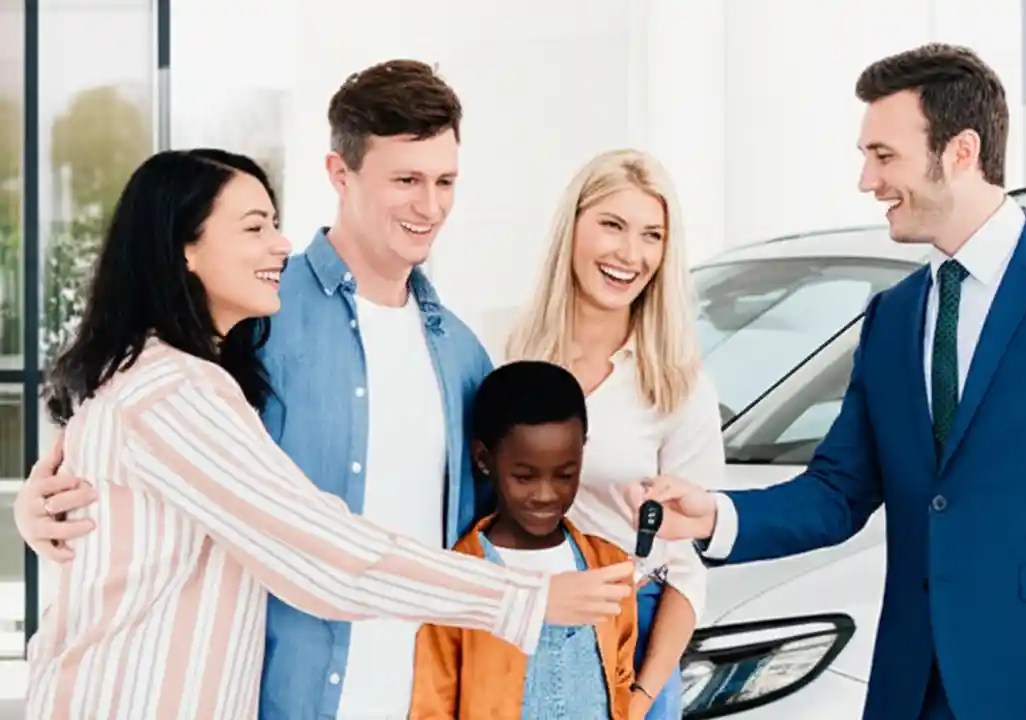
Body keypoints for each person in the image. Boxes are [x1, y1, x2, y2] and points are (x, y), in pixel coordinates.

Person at [14, 60, 632, 719]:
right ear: (340, 173)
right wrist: (46, 503)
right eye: (406, 180)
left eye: (445, 181)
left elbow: (508, 505)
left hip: (413, 695)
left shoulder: (460, 353)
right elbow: (300, 541)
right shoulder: (250, 326)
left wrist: (637, 514)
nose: (430, 206)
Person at [628, 44, 1026, 720]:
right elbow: (839, 490)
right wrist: (716, 515)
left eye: (884, 156)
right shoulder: (893, 316)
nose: (867, 181)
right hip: (911, 688)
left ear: (961, 151)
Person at [503, 148, 724, 719]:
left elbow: (686, 570)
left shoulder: (676, 384)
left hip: (629, 645)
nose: (631, 254)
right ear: (572, 226)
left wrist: (641, 697)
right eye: (612, 225)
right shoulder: (503, 352)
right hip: (515, 629)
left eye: (652, 235)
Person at [411, 360, 639, 719]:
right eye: (524, 477)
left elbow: (620, 680)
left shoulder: (610, 567)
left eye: (565, 475)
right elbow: (432, 705)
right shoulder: (458, 580)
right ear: (484, 459)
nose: (545, 495)